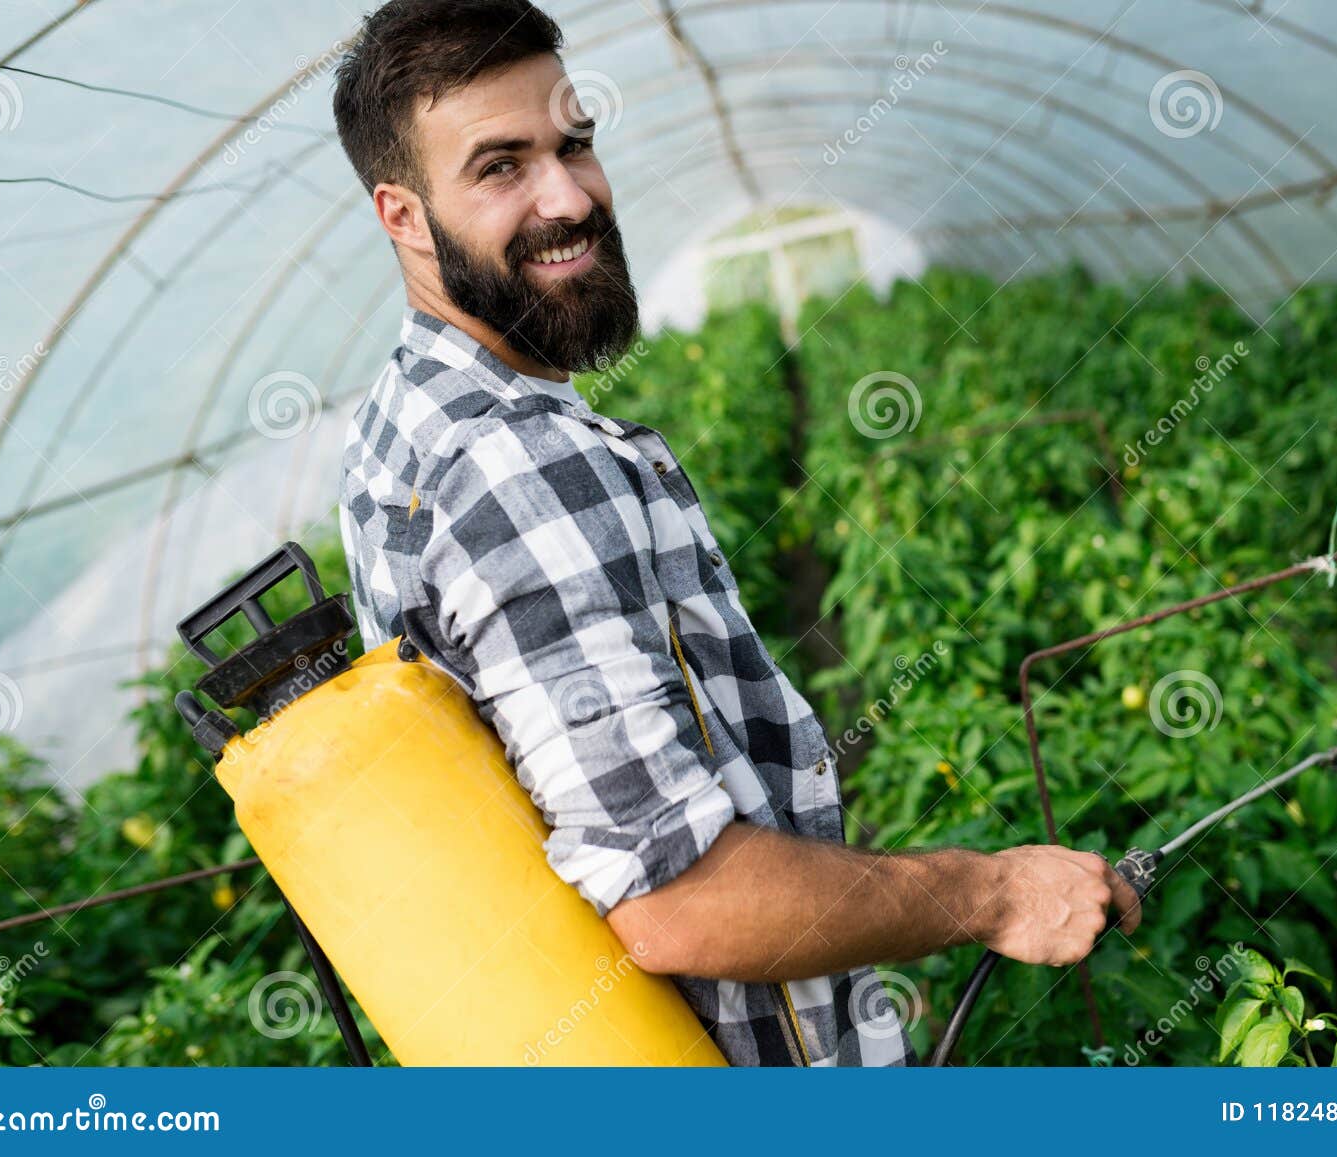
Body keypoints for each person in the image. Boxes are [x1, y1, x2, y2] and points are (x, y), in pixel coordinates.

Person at [333, 0, 1140, 1066]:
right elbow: (681, 897)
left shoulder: (398, 420)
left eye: (573, 143)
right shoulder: (514, 464)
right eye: (500, 167)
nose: (567, 195)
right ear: (401, 213)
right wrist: (992, 890)